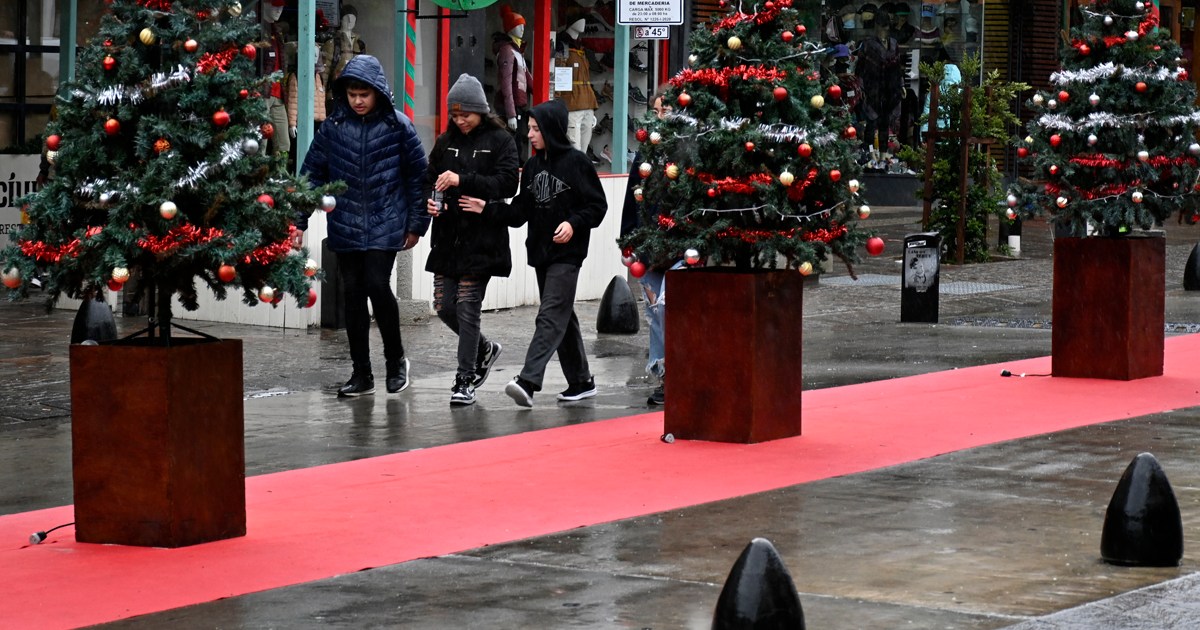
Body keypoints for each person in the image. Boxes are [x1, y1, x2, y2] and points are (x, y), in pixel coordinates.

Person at [296, 54, 429, 397]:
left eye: (364, 94)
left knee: (376, 284)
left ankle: (396, 361)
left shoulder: (399, 126)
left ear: (378, 94)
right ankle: (362, 374)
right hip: (346, 223)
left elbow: (418, 178)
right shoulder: (332, 129)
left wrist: (416, 223)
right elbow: (310, 176)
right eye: (353, 94)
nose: (357, 101)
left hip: (387, 221)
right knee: (353, 294)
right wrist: (296, 221)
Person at [476, 100, 607, 408]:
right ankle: (581, 381)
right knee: (562, 316)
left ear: (552, 130)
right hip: (540, 253)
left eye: (536, 129)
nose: (530, 134)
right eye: (530, 128)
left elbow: (597, 207)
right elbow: (520, 211)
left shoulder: (578, 162)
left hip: (568, 254)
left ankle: (528, 380)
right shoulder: (533, 166)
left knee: (549, 315)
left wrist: (573, 224)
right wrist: (488, 209)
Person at [424, 74, 521, 406]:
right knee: (443, 306)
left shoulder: (500, 140)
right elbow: (430, 177)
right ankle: (484, 348)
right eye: (454, 115)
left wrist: (463, 180)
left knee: (467, 308)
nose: (460, 120)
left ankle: (464, 378)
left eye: (465, 114)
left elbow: (508, 183)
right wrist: (430, 200)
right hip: (447, 236)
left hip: (482, 238)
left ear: (481, 110)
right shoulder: (444, 141)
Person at [620, 91, 677, 406]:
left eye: (665, 109)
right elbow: (633, 192)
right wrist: (627, 236)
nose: (659, 116)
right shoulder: (647, 150)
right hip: (652, 245)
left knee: (667, 306)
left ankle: (678, 372)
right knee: (655, 313)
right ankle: (665, 375)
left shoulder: (690, 148)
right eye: (656, 110)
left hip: (683, 246)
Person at [553, 19, 598, 153]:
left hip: (587, 103)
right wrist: (557, 103)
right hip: (571, 104)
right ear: (571, 23)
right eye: (579, 19)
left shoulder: (580, 47)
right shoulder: (562, 45)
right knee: (574, 148)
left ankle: (580, 173)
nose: (584, 22)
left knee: (583, 149)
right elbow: (557, 75)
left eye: (585, 19)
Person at [493, 5, 532, 159]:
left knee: (517, 144)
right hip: (511, 106)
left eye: (523, 26)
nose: (522, 29)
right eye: (518, 26)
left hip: (519, 105)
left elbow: (528, 78)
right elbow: (506, 83)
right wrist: (510, 114)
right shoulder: (507, 51)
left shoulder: (517, 52)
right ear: (510, 28)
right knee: (512, 145)